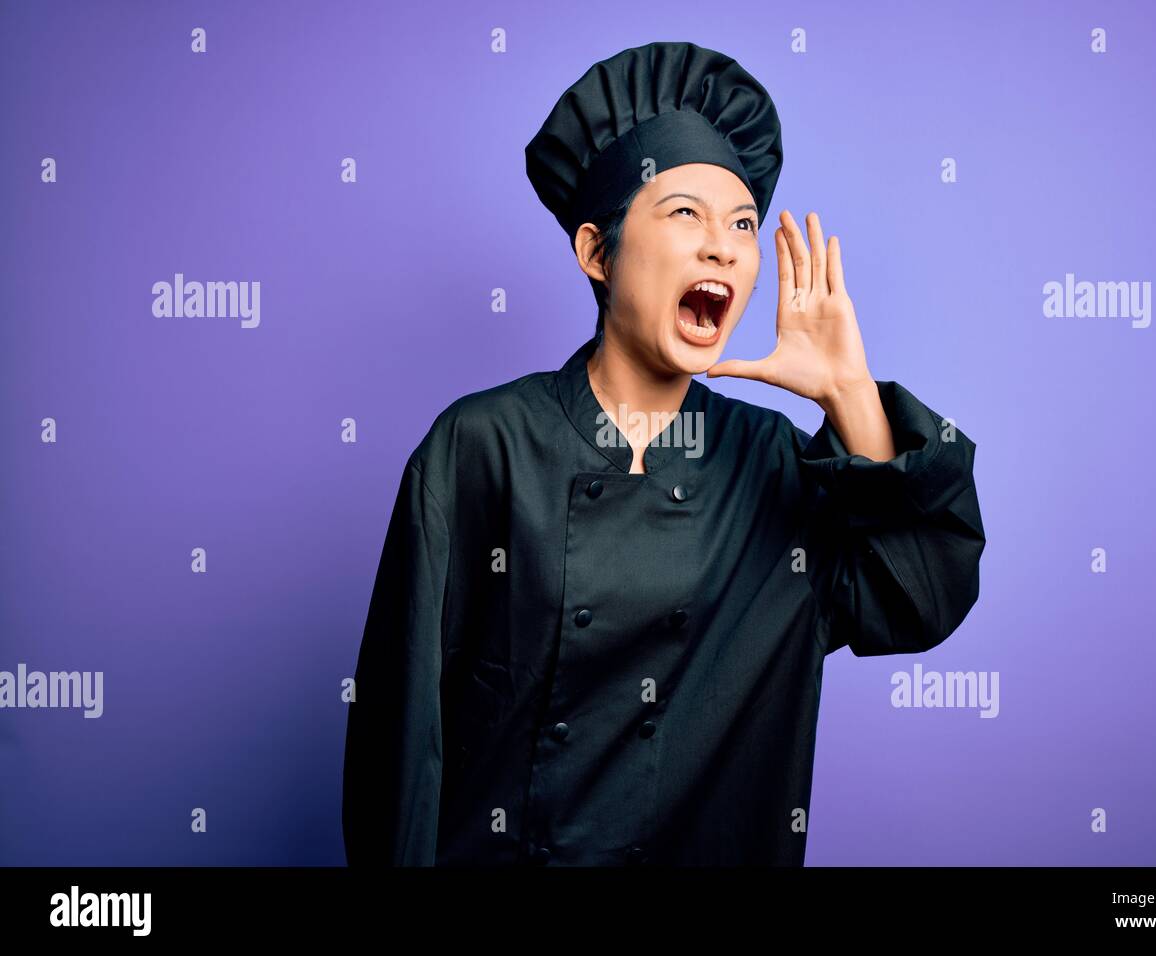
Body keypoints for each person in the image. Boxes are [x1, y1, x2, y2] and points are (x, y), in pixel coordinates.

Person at [341, 40, 985, 867]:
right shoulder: (481, 447)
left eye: (744, 225)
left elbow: (921, 598)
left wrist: (848, 396)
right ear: (596, 253)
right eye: (685, 213)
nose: (723, 246)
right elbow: (400, 735)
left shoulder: (775, 466)